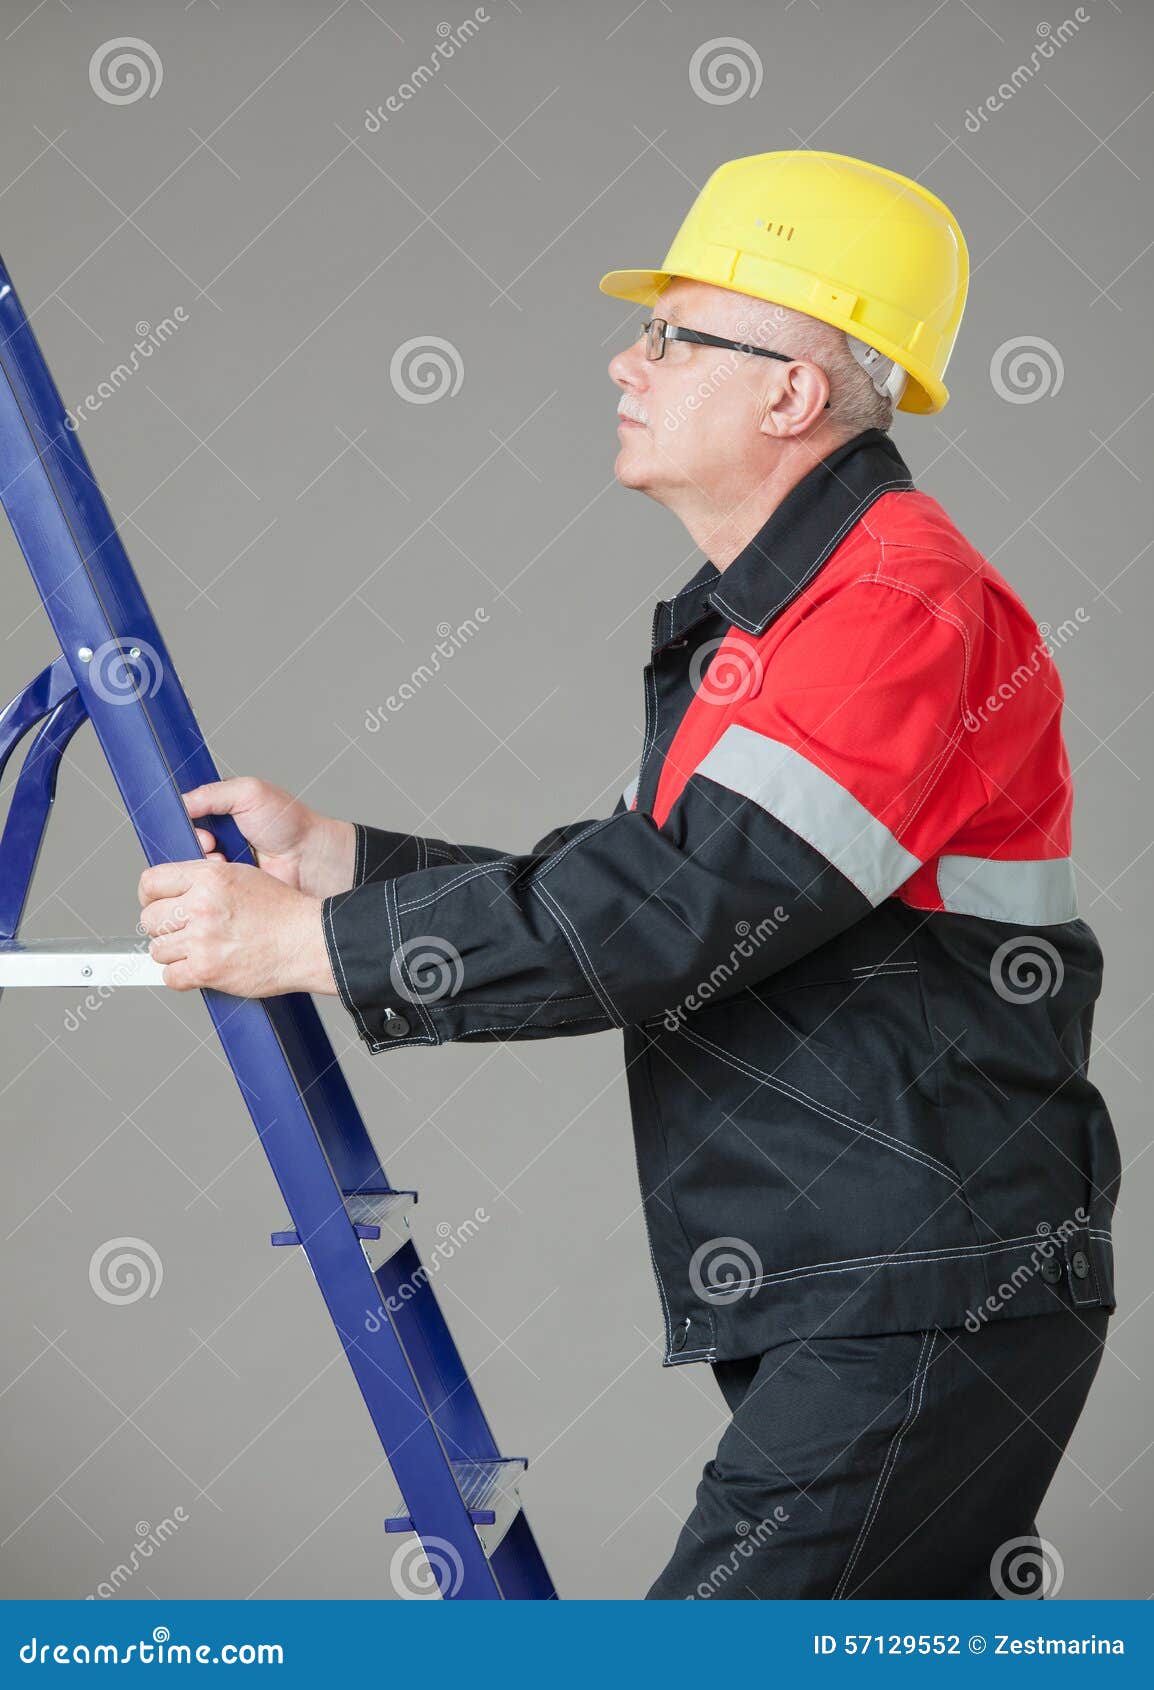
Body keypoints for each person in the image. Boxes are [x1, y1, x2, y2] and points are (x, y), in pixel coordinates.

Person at [138, 151, 1120, 1599]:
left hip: (919, 1281)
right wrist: (344, 869)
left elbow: (674, 916)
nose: (625, 360)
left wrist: (315, 945)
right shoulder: (788, 616)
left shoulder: (892, 606)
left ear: (791, 394)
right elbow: (655, 887)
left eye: (673, 335)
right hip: (880, 1273)